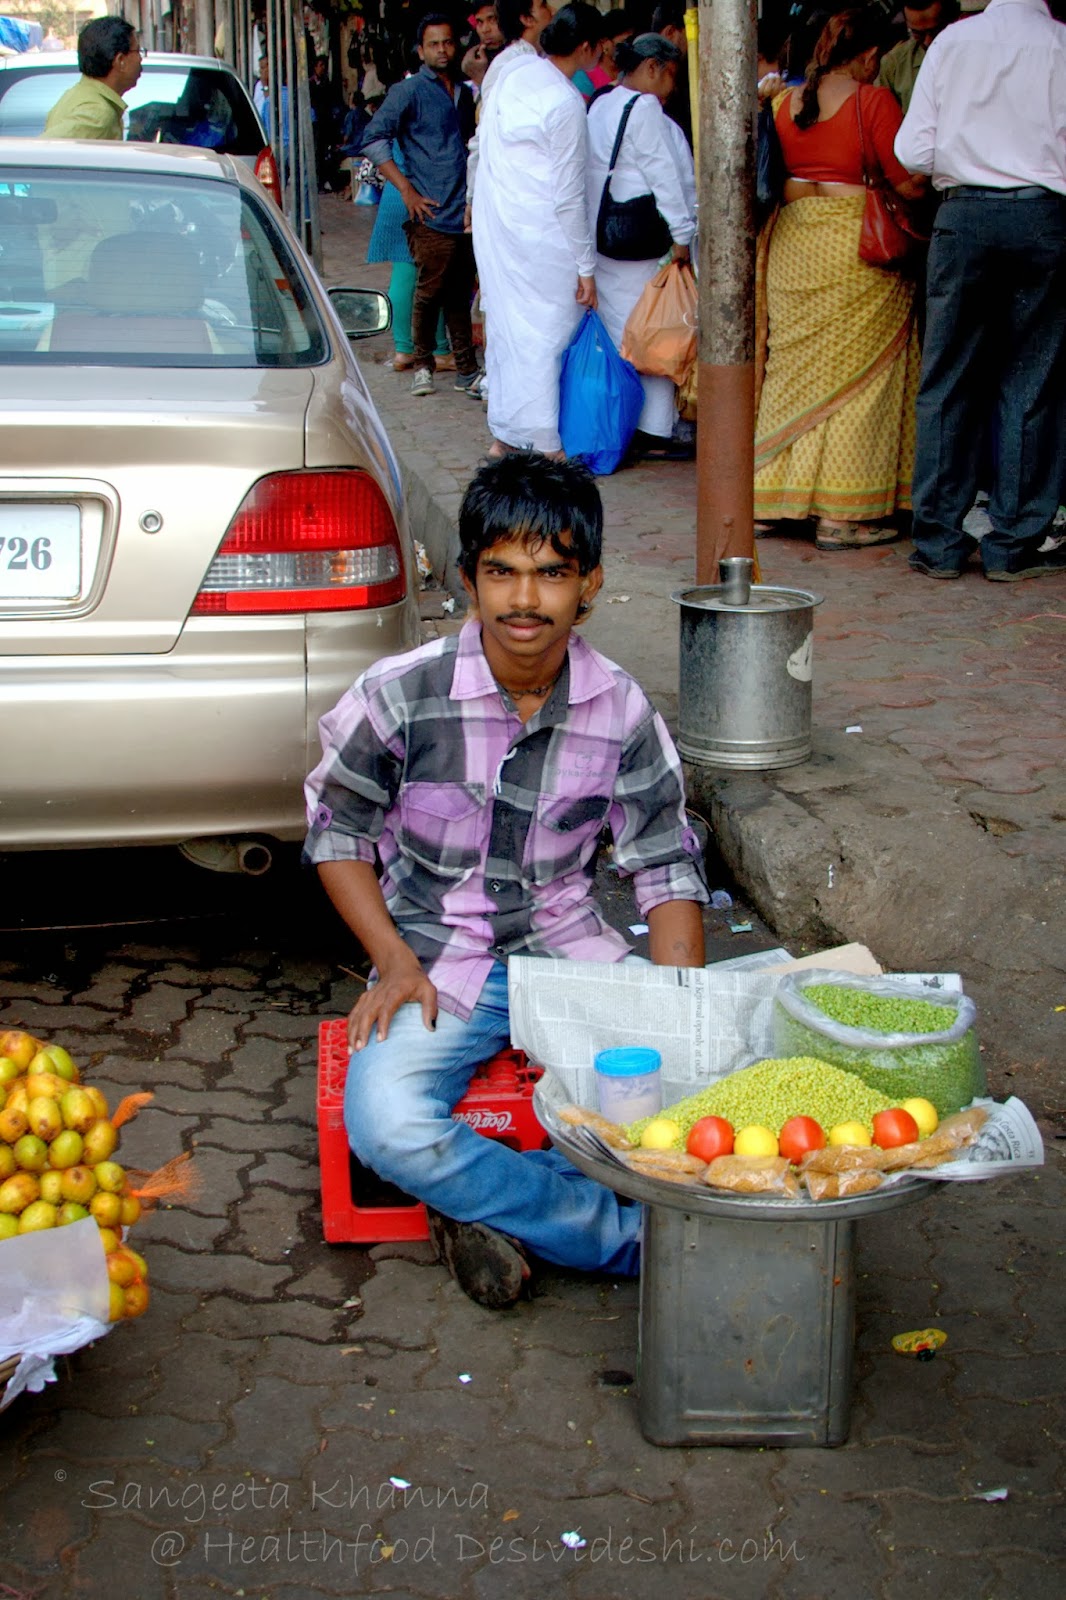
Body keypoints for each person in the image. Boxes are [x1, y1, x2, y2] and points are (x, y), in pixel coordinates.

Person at [304, 452, 709, 1309]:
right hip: (434, 962)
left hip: (569, 956)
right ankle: (621, 1239)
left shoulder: (623, 710)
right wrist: (394, 961)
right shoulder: (401, 696)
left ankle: (492, 1204)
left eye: (552, 573)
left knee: (697, 1088)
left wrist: (680, 1009)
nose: (526, 599)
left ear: (589, 583)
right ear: (468, 580)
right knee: (387, 1124)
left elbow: (664, 862)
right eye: (503, 572)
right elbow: (337, 832)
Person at [896, 0, 1066, 581]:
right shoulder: (1058, 44)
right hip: (1043, 218)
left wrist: (973, 155)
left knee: (947, 380)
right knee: (1031, 381)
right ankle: (1011, 546)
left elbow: (912, 151)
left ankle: (939, 542)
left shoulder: (952, 43)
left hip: (963, 217)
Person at [753, 8, 924, 552]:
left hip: (795, 242)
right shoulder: (873, 101)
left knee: (794, 372)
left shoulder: (782, 102)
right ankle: (842, 518)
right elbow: (908, 184)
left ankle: (769, 499)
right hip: (855, 249)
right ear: (871, 56)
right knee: (862, 381)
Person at [473, 3, 603, 459]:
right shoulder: (566, 101)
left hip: (502, 228)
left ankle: (506, 434)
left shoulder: (512, 74)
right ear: (586, 48)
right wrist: (587, 266)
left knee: (511, 332)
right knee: (548, 338)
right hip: (545, 238)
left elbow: (482, 147)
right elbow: (570, 197)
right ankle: (545, 443)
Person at [586, 34, 696, 456]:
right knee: (653, 330)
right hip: (639, 241)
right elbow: (665, 177)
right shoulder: (645, 108)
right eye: (671, 75)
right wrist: (682, 237)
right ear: (653, 68)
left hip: (604, 237)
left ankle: (623, 422)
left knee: (620, 332)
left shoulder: (601, 102)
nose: (672, 86)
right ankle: (652, 429)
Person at [361, 14, 479, 398]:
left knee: (460, 294)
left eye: (447, 42)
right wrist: (406, 191)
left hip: (465, 209)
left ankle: (466, 370)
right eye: (434, 44)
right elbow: (374, 139)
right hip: (429, 209)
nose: (442, 50)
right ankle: (422, 365)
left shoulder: (465, 91)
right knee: (428, 293)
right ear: (420, 49)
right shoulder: (409, 91)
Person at [42, 15, 142, 141]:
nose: (141, 59)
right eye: (138, 51)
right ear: (120, 60)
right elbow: (42, 152)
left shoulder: (79, 94)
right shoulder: (97, 115)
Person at [876, 1, 958, 115]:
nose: (928, 41)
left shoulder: (973, 53)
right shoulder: (894, 64)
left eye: (935, 31)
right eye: (918, 34)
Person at [579, 7, 636, 103]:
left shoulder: (631, 72)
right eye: (624, 42)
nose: (629, 47)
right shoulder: (585, 74)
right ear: (605, 42)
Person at [253, 53, 269, 118]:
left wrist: (265, 84)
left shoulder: (278, 85)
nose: (260, 71)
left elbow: (269, 105)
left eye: (262, 68)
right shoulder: (258, 85)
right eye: (260, 68)